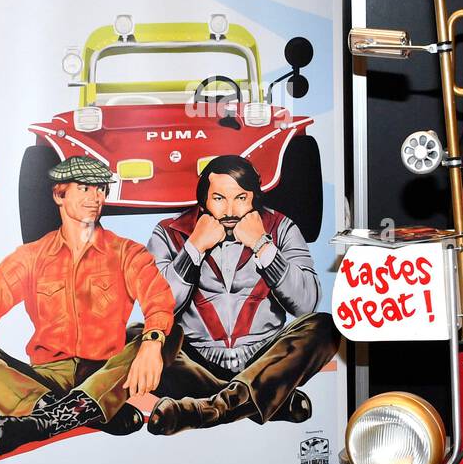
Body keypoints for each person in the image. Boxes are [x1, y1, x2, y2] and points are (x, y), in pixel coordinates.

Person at [0, 156, 178, 454]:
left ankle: (50, 418)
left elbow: (159, 300)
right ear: (59, 195)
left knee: (160, 333)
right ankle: (76, 411)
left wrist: (152, 344)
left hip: (105, 371)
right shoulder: (30, 257)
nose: (96, 197)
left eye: (101, 189)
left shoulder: (127, 252)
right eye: (85, 188)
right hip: (48, 375)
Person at [144, 155, 339, 435]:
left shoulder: (281, 227)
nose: (230, 210)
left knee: (325, 327)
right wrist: (194, 247)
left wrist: (263, 245)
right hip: (195, 362)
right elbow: (158, 307)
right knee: (139, 336)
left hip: (265, 356)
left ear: (254, 199)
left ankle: (212, 409)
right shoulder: (168, 232)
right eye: (219, 198)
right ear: (203, 201)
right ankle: (263, 398)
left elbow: (307, 304)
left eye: (241, 198)